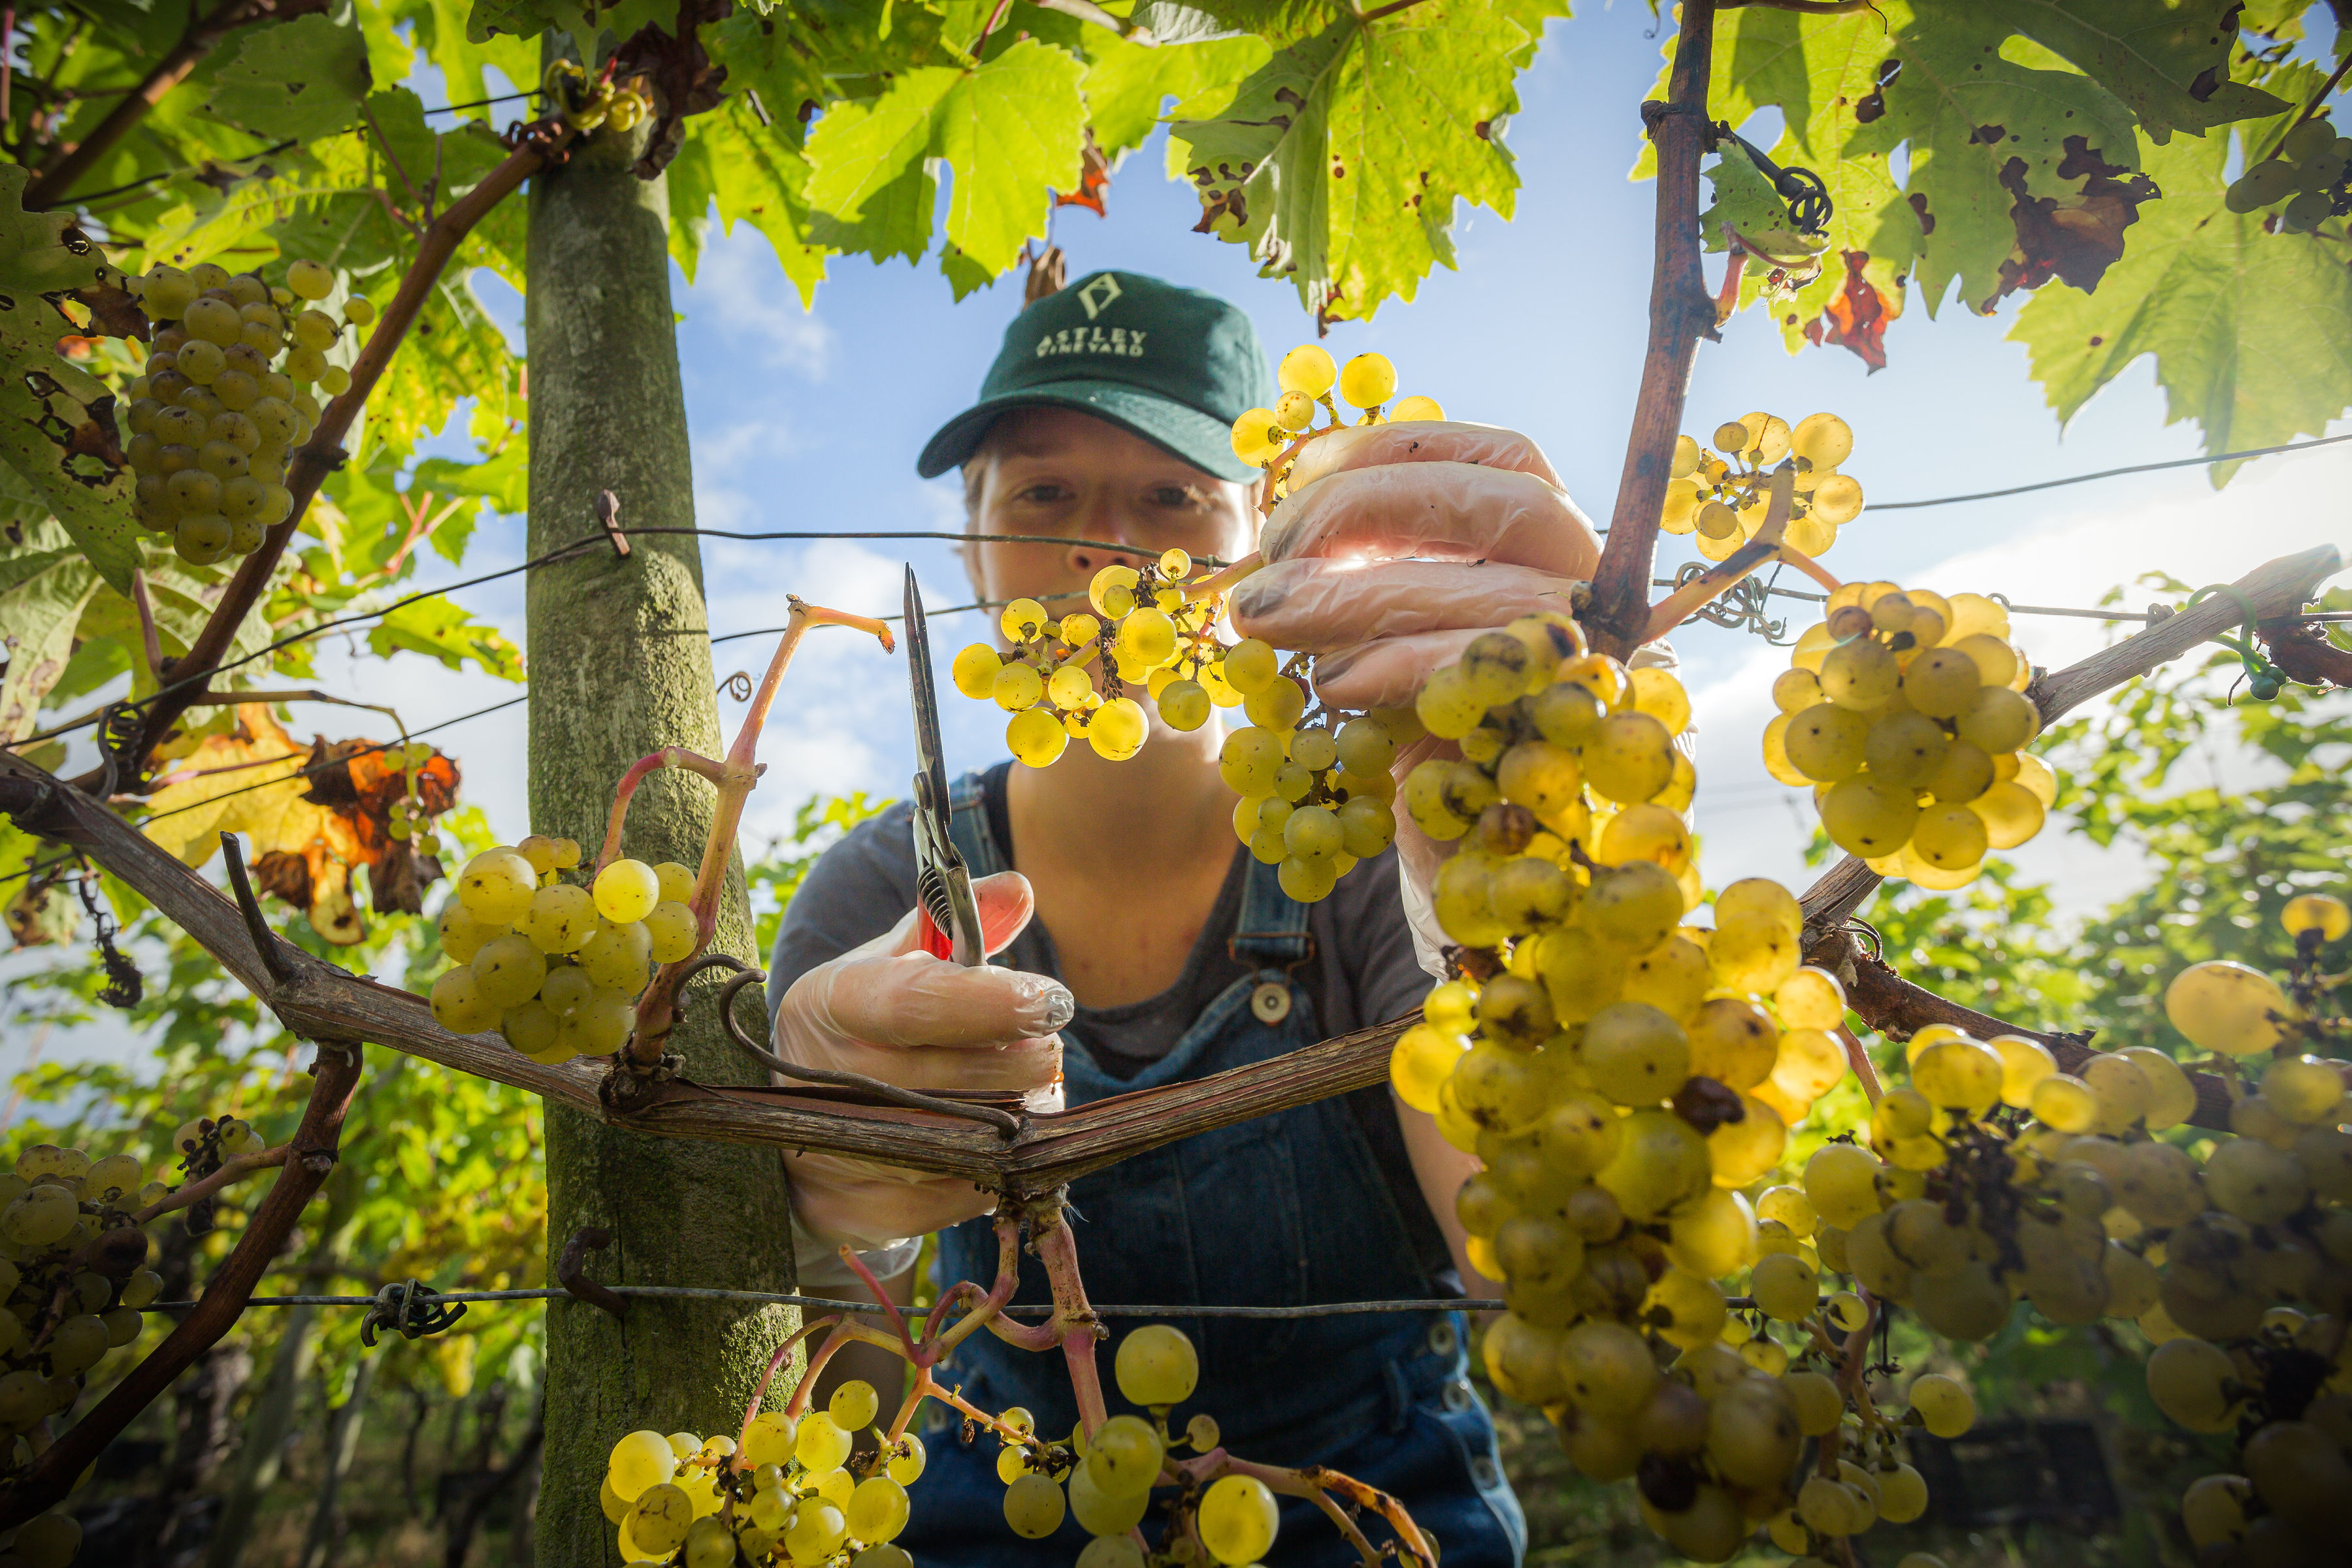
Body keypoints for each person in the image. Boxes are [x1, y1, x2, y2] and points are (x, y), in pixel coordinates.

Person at [767, 271, 1606, 1567]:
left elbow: (1542, 1257)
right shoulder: (876, 890)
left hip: (1370, 1523)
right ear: (972, 538)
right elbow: (848, 1371)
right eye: (1044, 494)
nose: (1106, 548)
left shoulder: (1378, 845)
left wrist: (1512, 864)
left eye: (1171, 496)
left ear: (1259, 537)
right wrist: (812, 1165)